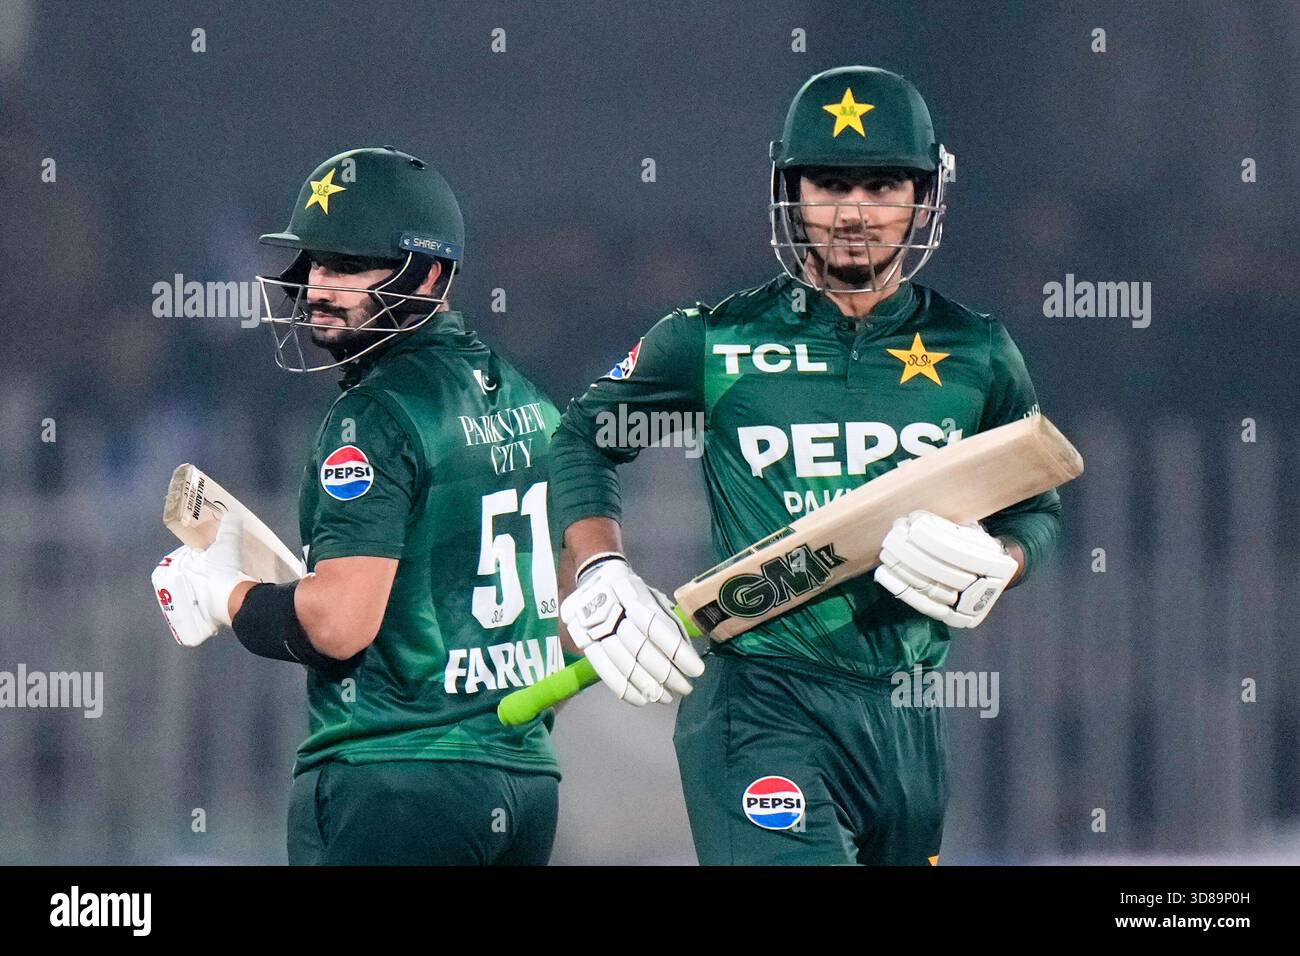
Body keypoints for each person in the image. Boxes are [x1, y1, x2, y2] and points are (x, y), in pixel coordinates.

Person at [549, 67, 1063, 865]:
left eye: (883, 184)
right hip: (760, 702)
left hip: (909, 712)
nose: (854, 214)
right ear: (790, 193)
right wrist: (599, 571)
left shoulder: (979, 350)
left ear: (925, 195)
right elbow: (581, 437)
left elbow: (1039, 504)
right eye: (830, 183)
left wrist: (1006, 559)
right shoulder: (713, 341)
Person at [152, 146, 564, 865]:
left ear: (429, 273)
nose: (316, 286)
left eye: (347, 266)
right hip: (523, 781)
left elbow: (339, 624)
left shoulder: (371, 417)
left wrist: (229, 596)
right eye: (313, 262)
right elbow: (568, 627)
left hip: (396, 784)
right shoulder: (529, 401)